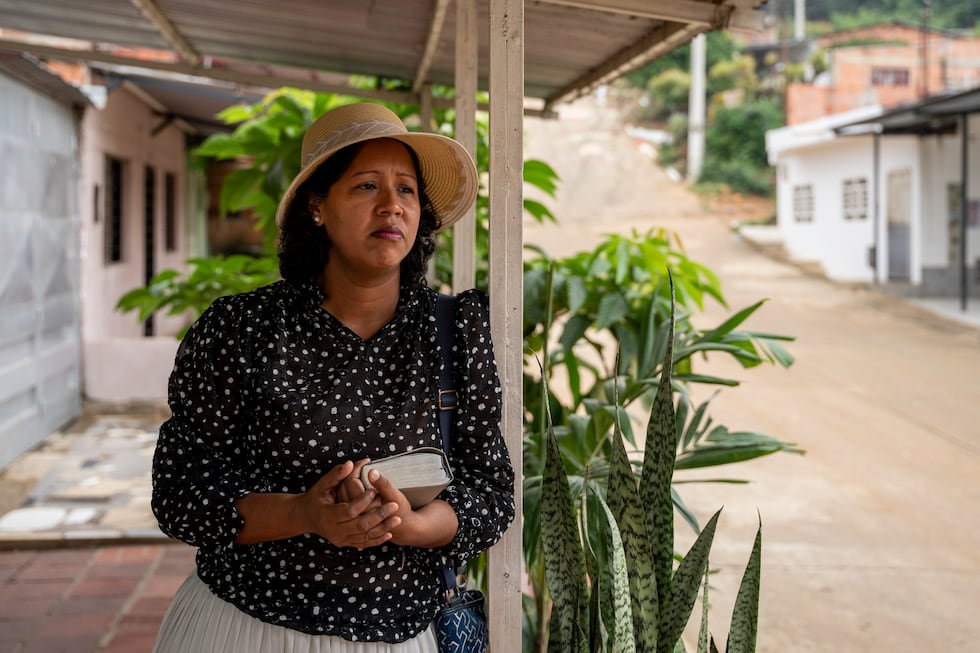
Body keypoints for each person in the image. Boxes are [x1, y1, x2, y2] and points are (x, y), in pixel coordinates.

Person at [151, 102, 515, 653]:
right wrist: (304, 514)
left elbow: (490, 492)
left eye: (408, 190)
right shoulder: (242, 329)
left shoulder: (454, 331)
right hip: (248, 627)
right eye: (367, 186)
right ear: (317, 206)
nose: (393, 205)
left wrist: (413, 527)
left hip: (404, 634)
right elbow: (180, 494)